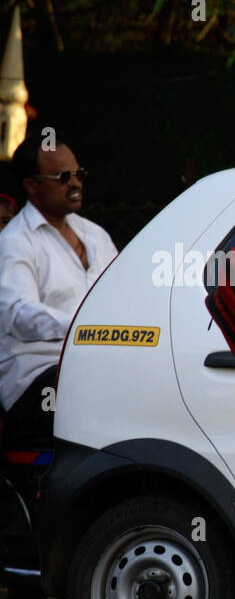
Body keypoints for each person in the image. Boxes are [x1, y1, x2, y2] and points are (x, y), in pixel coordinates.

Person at [0, 132, 116, 444]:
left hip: (97, 362)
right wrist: (84, 329)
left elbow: (125, 299)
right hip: (39, 377)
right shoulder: (15, 241)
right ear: (32, 186)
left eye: (79, 174)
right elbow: (16, 312)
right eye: (63, 177)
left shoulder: (96, 236)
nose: (75, 183)